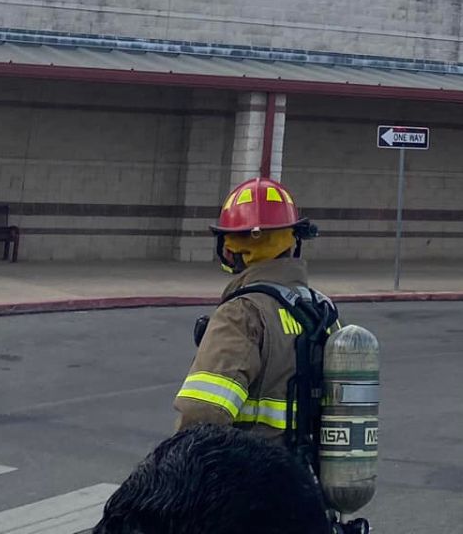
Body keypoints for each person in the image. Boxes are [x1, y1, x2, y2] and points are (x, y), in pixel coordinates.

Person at [174, 177, 331, 442]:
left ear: (234, 248)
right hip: (308, 475)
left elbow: (202, 413)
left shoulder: (243, 314)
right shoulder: (323, 310)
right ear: (292, 241)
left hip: (251, 476)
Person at [94, 424, 333, 534]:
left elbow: (202, 405)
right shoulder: (319, 321)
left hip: (233, 487)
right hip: (287, 481)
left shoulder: (240, 321)